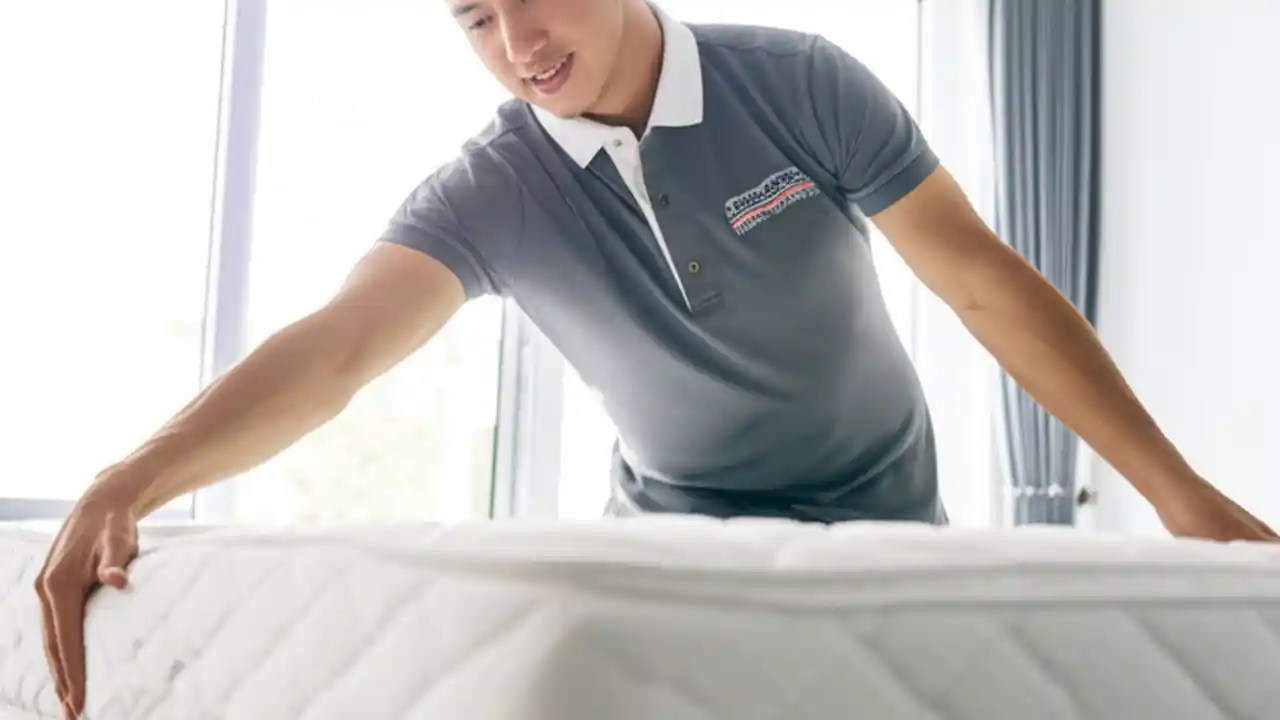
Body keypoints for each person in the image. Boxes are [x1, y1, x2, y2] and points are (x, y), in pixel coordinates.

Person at [35, 1, 1277, 717]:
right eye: (473, 16)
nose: (516, 40)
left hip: (898, 526)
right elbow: (339, 347)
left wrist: (1178, 497)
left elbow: (979, 283)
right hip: (671, 535)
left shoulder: (797, 84)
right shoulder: (494, 187)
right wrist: (135, 476)